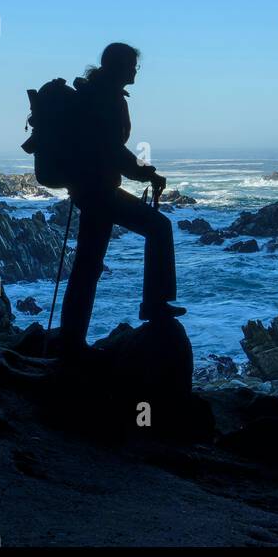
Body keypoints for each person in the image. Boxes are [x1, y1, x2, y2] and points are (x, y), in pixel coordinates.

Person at [59, 42, 185, 351]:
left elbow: (110, 149)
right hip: (99, 191)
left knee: (88, 265)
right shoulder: (106, 98)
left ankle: (71, 341)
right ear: (119, 67)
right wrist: (147, 173)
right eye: (132, 66)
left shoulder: (96, 92)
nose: (135, 71)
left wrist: (144, 171)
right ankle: (155, 305)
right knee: (158, 227)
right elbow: (112, 150)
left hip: (89, 189)